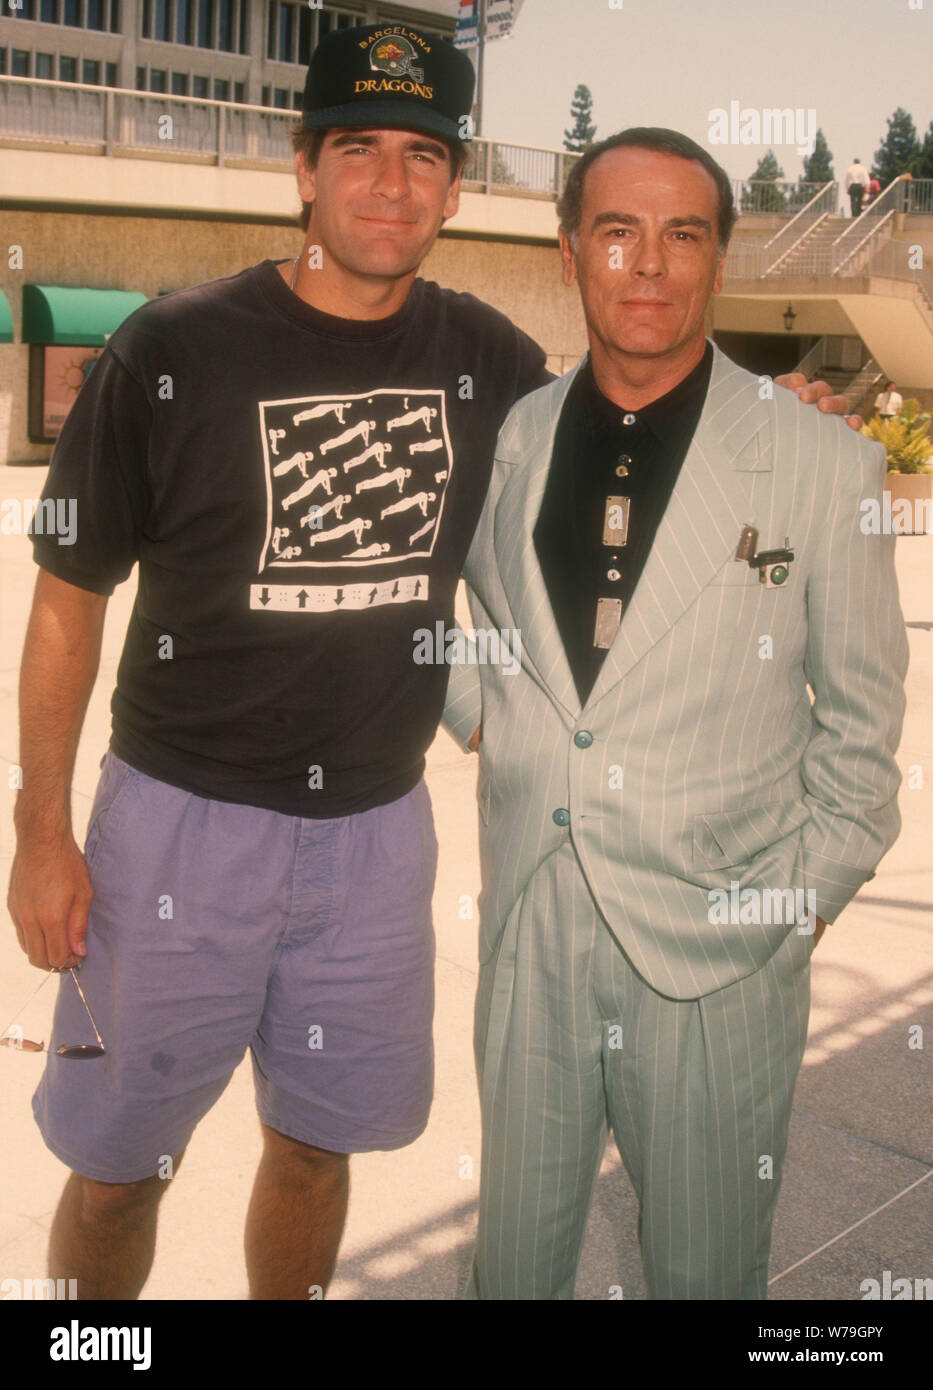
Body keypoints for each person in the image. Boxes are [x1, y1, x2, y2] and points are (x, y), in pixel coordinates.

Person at [7, 30, 853, 1300]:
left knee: (314, 1150)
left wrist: (779, 435)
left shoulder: (490, 365)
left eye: (421, 157)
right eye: (358, 150)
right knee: (123, 1166)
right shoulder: (173, 347)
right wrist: (40, 827)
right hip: (177, 827)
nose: (391, 186)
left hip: (372, 841)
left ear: (454, 189)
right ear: (303, 168)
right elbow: (69, 600)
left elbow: (619, 429)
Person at [443, 127, 908, 1300]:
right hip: (533, 924)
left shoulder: (820, 464)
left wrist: (775, 916)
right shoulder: (511, 437)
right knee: (513, 1270)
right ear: (569, 253)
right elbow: (465, 610)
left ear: (719, 258)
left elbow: (862, 752)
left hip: (719, 955)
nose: (647, 263)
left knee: (704, 1273)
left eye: (682, 234)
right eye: (617, 230)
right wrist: (496, 719)